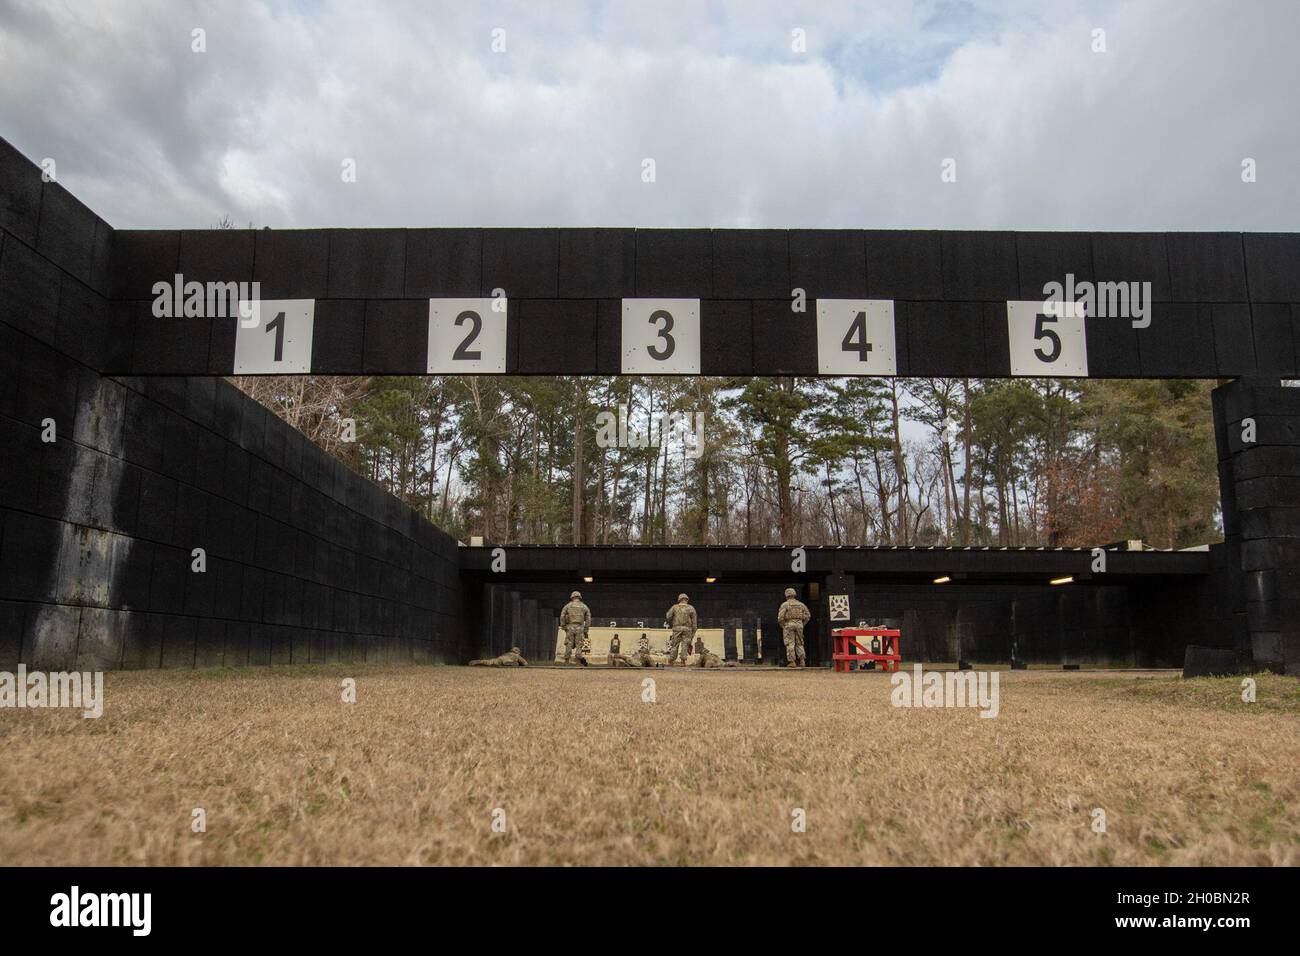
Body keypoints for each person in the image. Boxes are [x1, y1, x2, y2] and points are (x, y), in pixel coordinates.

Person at [777, 586, 811, 668]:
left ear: (786, 595)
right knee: (800, 642)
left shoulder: (785, 605)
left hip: (789, 624)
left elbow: (780, 617)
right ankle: (802, 661)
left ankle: (792, 661)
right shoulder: (801, 604)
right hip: (799, 624)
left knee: (790, 643)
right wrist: (802, 624)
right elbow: (808, 616)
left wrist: (783, 626)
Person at [664, 593, 697, 665]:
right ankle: (683, 661)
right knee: (685, 645)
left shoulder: (674, 607)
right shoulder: (691, 608)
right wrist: (694, 631)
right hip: (687, 629)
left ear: (679, 599)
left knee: (674, 645)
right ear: (687, 600)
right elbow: (694, 622)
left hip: (677, 628)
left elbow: (668, 616)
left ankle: (671, 660)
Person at [559, 590, 591, 665]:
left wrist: (563, 626)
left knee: (569, 644)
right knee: (579, 644)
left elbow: (562, 616)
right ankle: (578, 661)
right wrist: (586, 629)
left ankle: (566, 661)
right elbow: (588, 618)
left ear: (572, 597)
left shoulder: (567, 606)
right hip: (580, 628)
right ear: (579, 597)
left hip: (570, 627)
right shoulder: (584, 606)